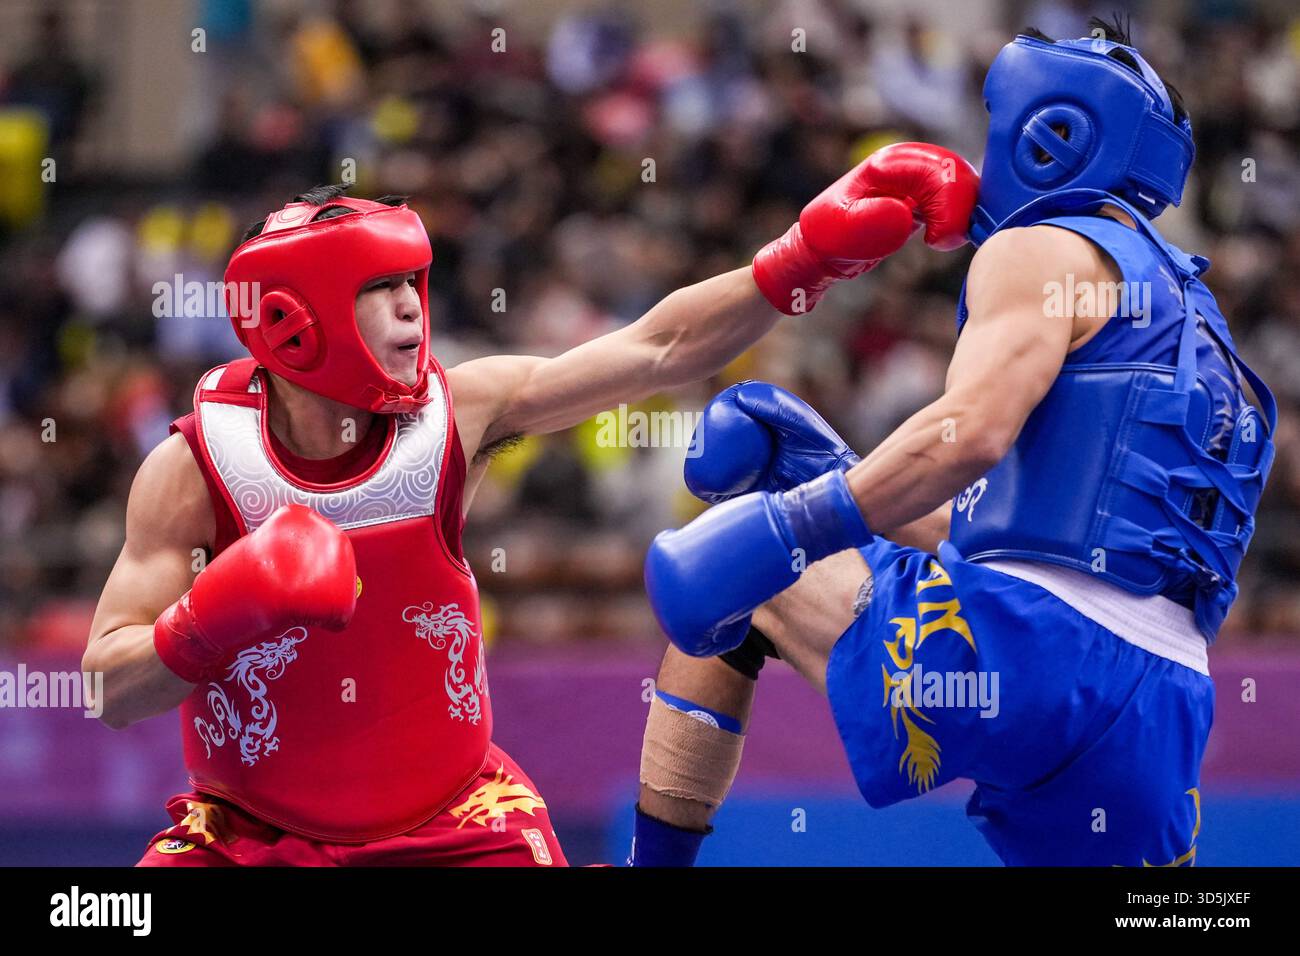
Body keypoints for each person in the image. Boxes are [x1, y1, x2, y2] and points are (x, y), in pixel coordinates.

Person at [84, 140, 978, 865]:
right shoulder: (196, 467)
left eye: (412, 285)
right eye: (378, 289)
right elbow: (110, 689)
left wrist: (802, 260)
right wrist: (221, 609)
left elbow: (657, 348)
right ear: (293, 316)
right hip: (251, 842)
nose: (410, 312)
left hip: (459, 830)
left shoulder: (458, 413)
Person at [635, 18, 1277, 867]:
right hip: (1165, 704)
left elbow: (969, 434)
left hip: (1034, 650)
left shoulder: (1037, 248)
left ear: (1050, 134)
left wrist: (795, 520)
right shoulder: (1200, 324)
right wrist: (855, 481)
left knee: (746, 573)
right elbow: (1044, 533)